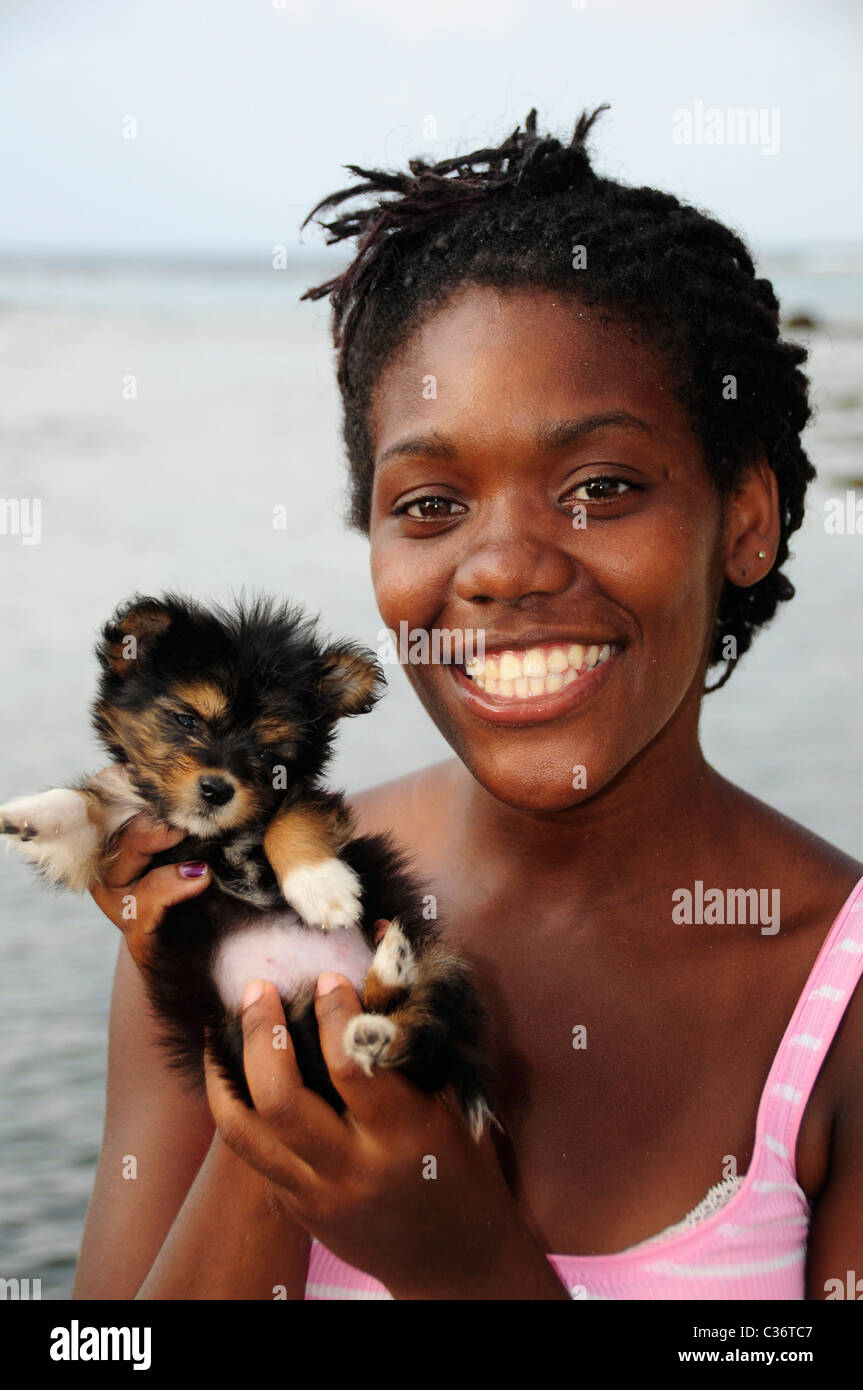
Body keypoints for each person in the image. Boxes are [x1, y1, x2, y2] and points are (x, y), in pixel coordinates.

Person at [72, 108, 863, 1301]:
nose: (500, 565)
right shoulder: (234, 907)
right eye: (430, 503)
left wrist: (462, 1261)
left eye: (600, 485)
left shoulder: (837, 1002)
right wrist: (276, 1094)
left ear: (741, 521)